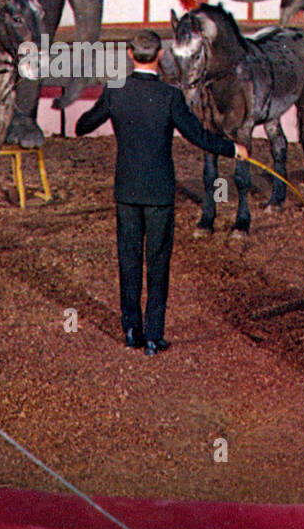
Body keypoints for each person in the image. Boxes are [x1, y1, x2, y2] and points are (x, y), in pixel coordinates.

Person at [74, 30, 247, 354]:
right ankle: (153, 337)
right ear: (159, 56)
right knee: (157, 264)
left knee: (128, 261)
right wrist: (233, 149)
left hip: (126, 190)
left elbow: (82, 126)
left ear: (130, 53)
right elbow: (198, 136)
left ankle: (131, 331)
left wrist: (97, 111)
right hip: (159, 193)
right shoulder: (170, 97)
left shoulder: (116, 91)